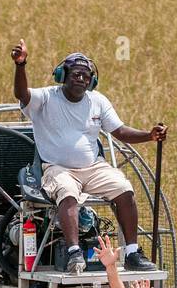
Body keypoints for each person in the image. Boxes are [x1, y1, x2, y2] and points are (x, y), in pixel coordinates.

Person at [11, 39, 166, 274]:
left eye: (86, 75)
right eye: (76, 74)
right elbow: (21, 94)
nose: (81, 78)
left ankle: (132, 252)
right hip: (57, 168)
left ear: (92, 81)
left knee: (124, 188)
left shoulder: (98, 101)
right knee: (67, 191)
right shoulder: (46, 97)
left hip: (93, 167)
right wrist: (21, 65)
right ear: (62, 75)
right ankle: (74, 253)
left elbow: (120, 132)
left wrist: (149, 135)